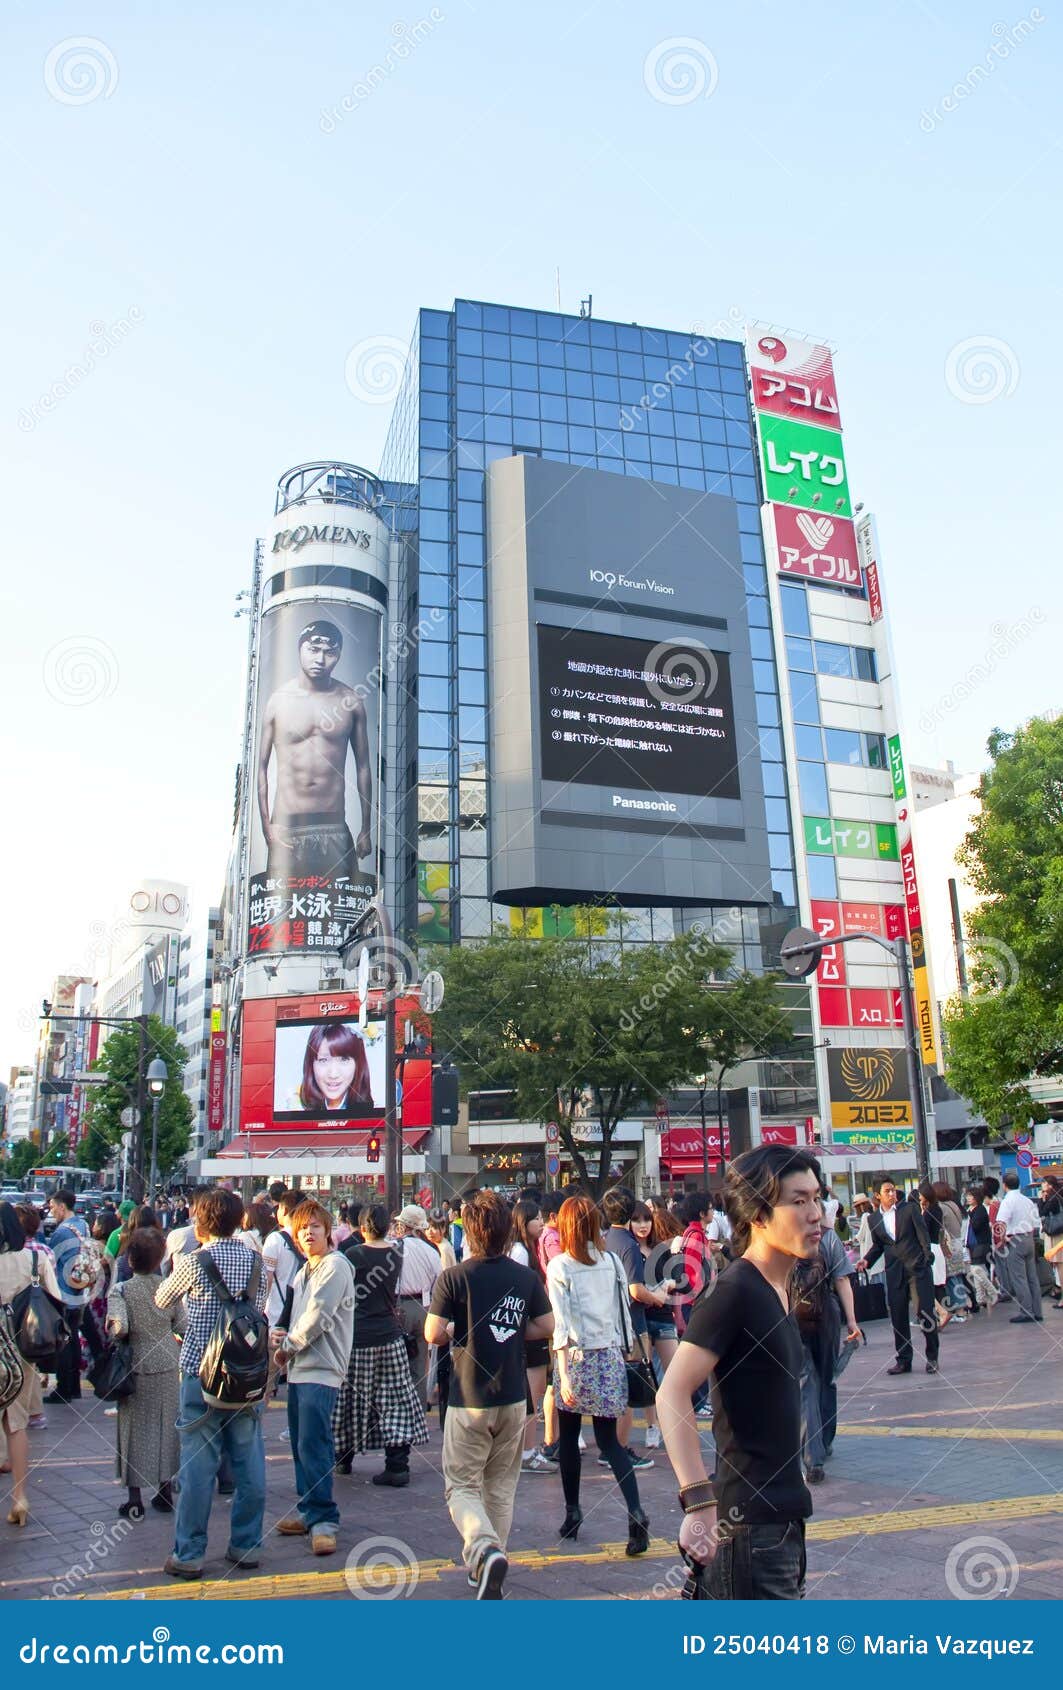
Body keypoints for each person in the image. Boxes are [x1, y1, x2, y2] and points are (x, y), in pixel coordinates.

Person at [657, 1146, 824, 1600]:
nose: (817, 1214)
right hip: (748, 1529)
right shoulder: (735, 1290)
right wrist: (697, 1500)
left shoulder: (780, 1286)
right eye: (799, 1201)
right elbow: (671, 1391)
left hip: (782, 1523)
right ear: (758, 1214)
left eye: (817, 1198)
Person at [426, 1190, 553, 1600]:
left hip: (468, 1398)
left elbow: (432, 1332)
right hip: (514, 1396)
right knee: (500, 1486)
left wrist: (453, 1332)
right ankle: (489, 1563)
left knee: (461, 1485)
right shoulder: (524, 1277)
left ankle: (481, 1548)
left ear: (471, 1233)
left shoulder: (455, 1277)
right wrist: (514, 1330)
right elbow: (547, 1325)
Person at [155, 1187, 267, 1579]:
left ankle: (189, 1554)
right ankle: (246, 1545)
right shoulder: (256, 1262)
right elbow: (259, 1309)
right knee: (249, 1461)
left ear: (201, 1220)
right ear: (240, 1220)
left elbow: (162, 1299)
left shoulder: (193, 1261)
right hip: (245, 1375)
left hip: (199, 1375)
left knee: (198, 1468)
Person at [546, 1194, 650, 1554]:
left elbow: (561, 1325)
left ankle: (572, 1512)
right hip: (609, 1357)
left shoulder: (559, 1266)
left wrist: (563, 1373)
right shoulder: (610, 1261)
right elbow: (623, 1310)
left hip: (575, 1359)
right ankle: (635, 1511)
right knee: (610, 1442)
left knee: (570, 1437)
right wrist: (626, 1349)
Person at [256, 618, 373, 883]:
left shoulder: (350, 701)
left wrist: (366, 828)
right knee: (283, 918)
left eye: (329, 652)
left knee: (340, 913)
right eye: (313, 650)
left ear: (338, 655)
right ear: (300, 649)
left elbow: (364, 766)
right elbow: (260, 768)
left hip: (333, 823)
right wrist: (267, 827)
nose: (320, 659)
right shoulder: (278, 701)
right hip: (286, 824)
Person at [271, 1199, 355, 1556]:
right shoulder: (306, 1270)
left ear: (328, 1230)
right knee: (302, 1444)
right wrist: (281, 1334)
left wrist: (287, 1345)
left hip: (322, 1368)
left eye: (315, 1226)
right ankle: (308, 1510)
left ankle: (323, 1518)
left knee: (315, 1443)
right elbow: (298, 1314)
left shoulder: (335, 1266)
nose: (308, 1232)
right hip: (301, 1368)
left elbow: (319, 1316)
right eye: (302, 1228)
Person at [333, 1203, 428, 1486]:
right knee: (395, 1399)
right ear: (388, 1227)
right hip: (390, 1334)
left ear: (362, 1228)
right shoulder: (396, 1253)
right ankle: (397, 1463)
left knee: (349, 1399)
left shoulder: (352, 1255)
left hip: (358, 1336)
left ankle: (343, 1457)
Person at [105, 1226, 183, 1520]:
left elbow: (120, 1327)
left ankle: (134, 1498)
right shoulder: (168, 1287)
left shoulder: (122, 1290)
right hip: (167, 1361)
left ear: (131, 1260)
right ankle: (164, 1490)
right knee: (166, 1425)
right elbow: (182, 1326)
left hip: (135, 1365)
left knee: (133, 1430)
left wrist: (112, 1327)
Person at [0, 1202, 62, 1525]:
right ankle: (20, 1497)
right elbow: (55, 1298)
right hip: (21, 1351)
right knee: (17, 1424)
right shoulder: (35, 1259)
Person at [792, 1208, 860, 1484]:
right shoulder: (829, 1238)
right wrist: (853, 1322)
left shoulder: (787, 1238)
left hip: (793, 1314)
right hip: (826, 1313)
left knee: (805, 1381)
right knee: (827, 1377)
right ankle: (825, 1440)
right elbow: (842, 1280)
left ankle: (812, 1454)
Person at [601, 1188, 668, 1468]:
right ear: (629, 1214)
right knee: (627, 1387)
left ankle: (612, 1448)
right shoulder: (628, 1244)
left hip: (611, 1320)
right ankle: (619, 1449)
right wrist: (658, 1297)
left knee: (616, 1385)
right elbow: (636, 1290)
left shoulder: (606, 1240)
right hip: (631, 1322)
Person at [857, 1177, 940, 1374]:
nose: (892, 1194)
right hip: (894, 1272)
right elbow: (879, 1245)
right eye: (887, 1191)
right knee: (898, 1316)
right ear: (877, 1195)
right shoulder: (873, 1219)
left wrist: (926, 1258)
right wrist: (867, 1260)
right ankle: (904, 1360)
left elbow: (923, 1235)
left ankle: (932, 1357)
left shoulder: (909, 1209)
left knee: (925, 1313)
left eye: (893, 1190)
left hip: (917, 1269)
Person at [507, 1198, 558, 1475]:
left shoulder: (529, 1248)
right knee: (530, 1397)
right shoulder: (520, 1252)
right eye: (535, 1218)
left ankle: (527, 1450)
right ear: (522, 1223)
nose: (541, 1222)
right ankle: (526, 1452)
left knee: (533, 1396)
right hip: (528, 1330)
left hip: (532, 1328)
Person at [45, 1187, 104, 1404]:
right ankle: (75, 1386)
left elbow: (52, 1261)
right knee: (75, 1339)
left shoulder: (61, 1232)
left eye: (53, 1207)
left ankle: (64, 1388)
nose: (52, 1212)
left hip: (64, 1292)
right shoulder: (83, 1225)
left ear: (62, 1206)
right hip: (82, 1290)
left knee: (64, 1341)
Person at [632, 1199, 679, 1449]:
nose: (643, 1225)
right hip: (641, 1319)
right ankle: (652, 1426)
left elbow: (676, 1280)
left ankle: (674, 1423)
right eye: (637, 1220)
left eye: (646, 1219)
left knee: (675, 1374)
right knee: (646, 1376)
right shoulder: (629, 1251)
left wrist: (668, 1285)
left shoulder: (661, 1249)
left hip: (663, 1317)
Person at [394, 1203, 440, 1408]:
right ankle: (418, 1410)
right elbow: (439, 1282)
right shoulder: (432, 1251)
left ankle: (399, 1410)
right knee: (420, 1364)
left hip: (399, 1307)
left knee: (396, 1364)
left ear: (404, 1227)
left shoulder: (395, 1247)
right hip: (425, 1307)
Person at [995, 1170, 1044, 1322]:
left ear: (1005, 1185)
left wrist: (1001, 1239)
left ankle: (1026, 1312)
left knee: (1019, 1278)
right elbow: (1036, 1222)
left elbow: (1001, 1222)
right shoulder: (1027, 1200)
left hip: (1015, 1240)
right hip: (1029, 1238)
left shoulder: (1007, 1201)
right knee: (1032, 1277)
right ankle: (1037, 1311)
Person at [294, 1023, 373, 1113]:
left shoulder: (373, 1112)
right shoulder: (296, 1109)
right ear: (311, 1065)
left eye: (344, 1059)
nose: (333, 1074)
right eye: (323, 1060)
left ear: (358, 1064)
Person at [262, 1190, 306, 1327]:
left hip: (277, 1315)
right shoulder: (310, 1237)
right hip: (303, 1315)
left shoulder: (275, 1239)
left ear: (284, 1209)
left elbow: (267, 1278)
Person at [962, 1184, 998, 1312]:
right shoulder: (971, 1210)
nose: (968, 1198)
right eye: (967, 1196)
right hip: (973, 1245)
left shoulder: (980, 1210)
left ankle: (992, 1292)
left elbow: (974, 1226)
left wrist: (968, 1220)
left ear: (977, 1197)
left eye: (971, 1196)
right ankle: (980, 1297)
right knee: (978, 1271)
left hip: (980, 1244)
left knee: (977, 1270)